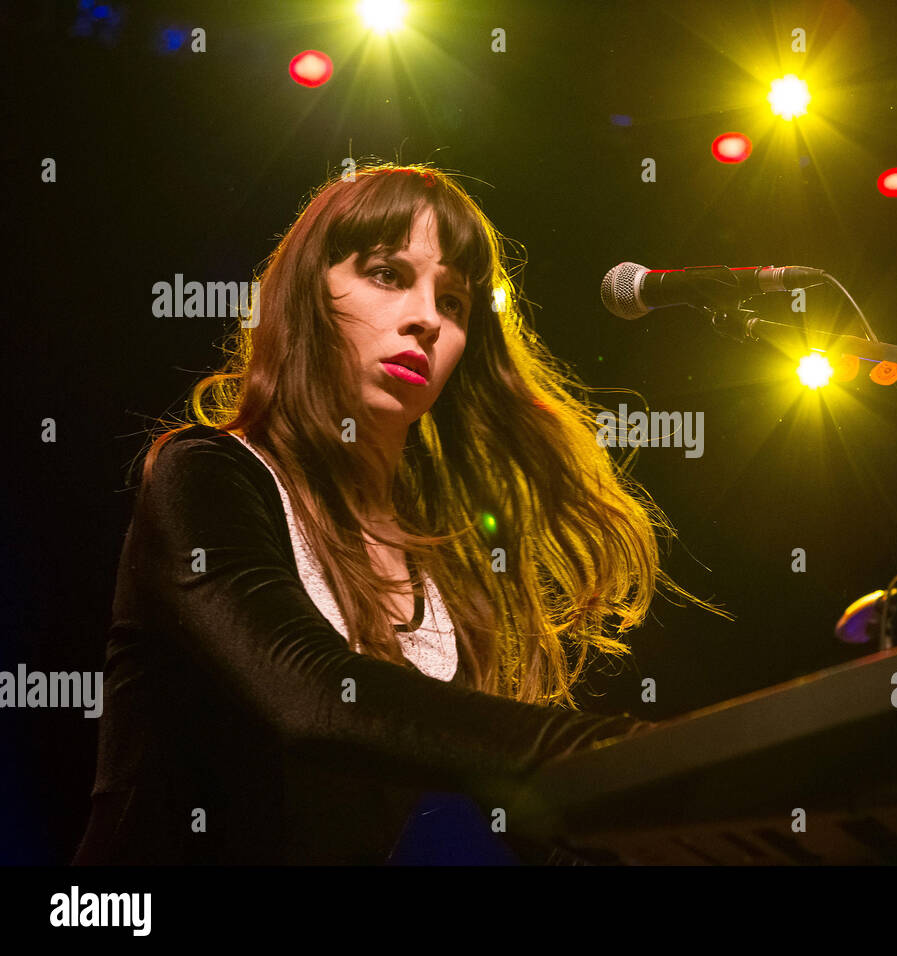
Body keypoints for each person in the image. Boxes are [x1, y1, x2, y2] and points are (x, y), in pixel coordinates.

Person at [73, 163, 727, 865]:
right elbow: (313, 697)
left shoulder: (447, 567)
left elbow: (503, 815)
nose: (427, 319)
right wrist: (607, 747)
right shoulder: (206, 475)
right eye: (387, 274)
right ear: (309, 295)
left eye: (454, 301)